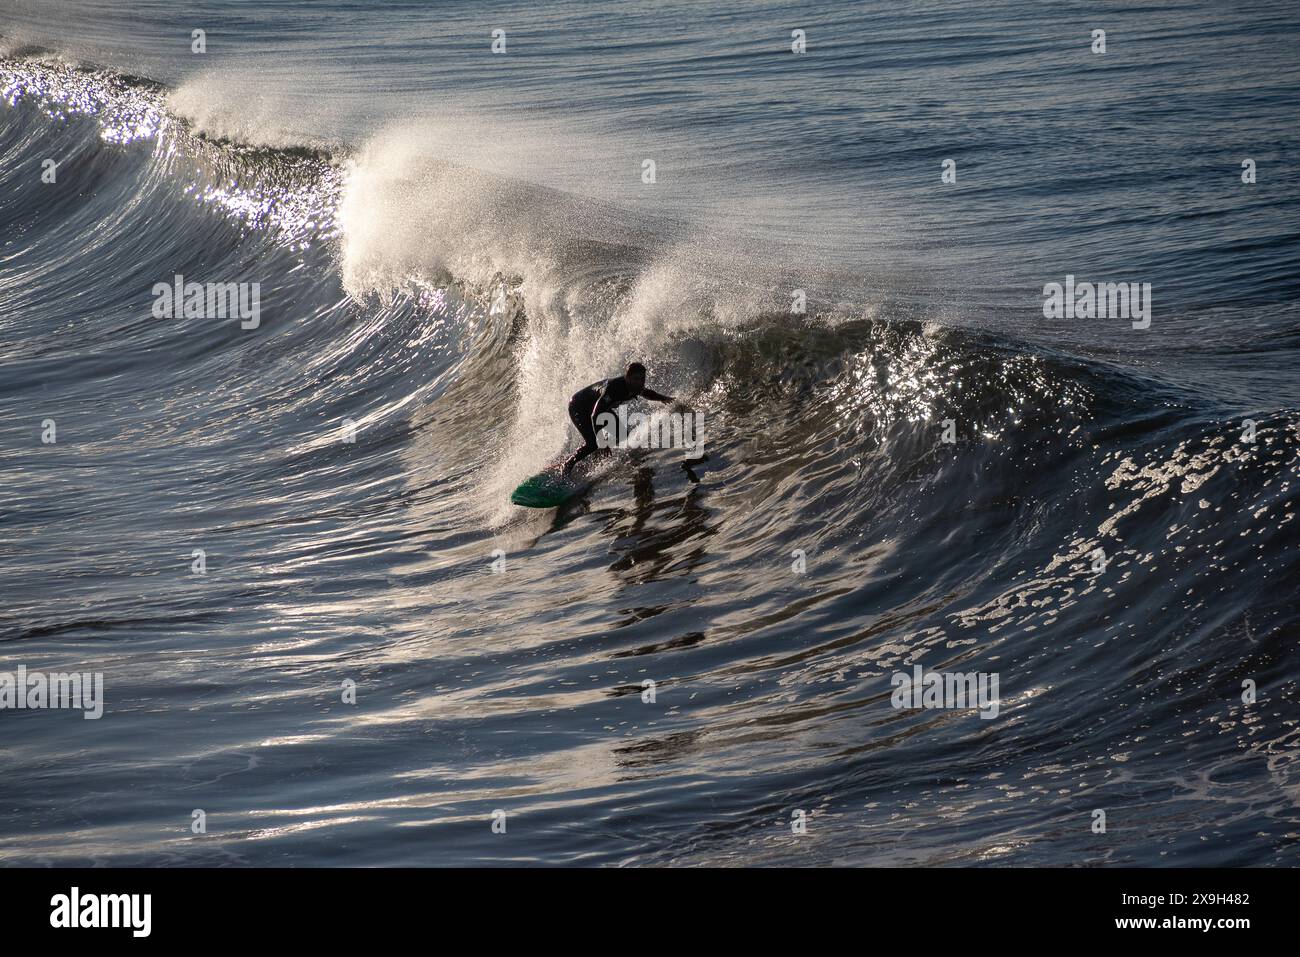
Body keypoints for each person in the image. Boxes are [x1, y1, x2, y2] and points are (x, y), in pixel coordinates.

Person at [562, 362, 674, 475]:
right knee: (593, 443)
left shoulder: (636, 387)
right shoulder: (614, 388)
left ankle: (593, 458)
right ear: (628, 378)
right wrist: (602, 442)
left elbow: (647, 393)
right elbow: (595, 415)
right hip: (578, 406)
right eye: (636, 379)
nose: (640, 382)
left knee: (623, 436)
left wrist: (664, 398)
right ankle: (568, 464)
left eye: (642, 379)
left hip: (598, 408)